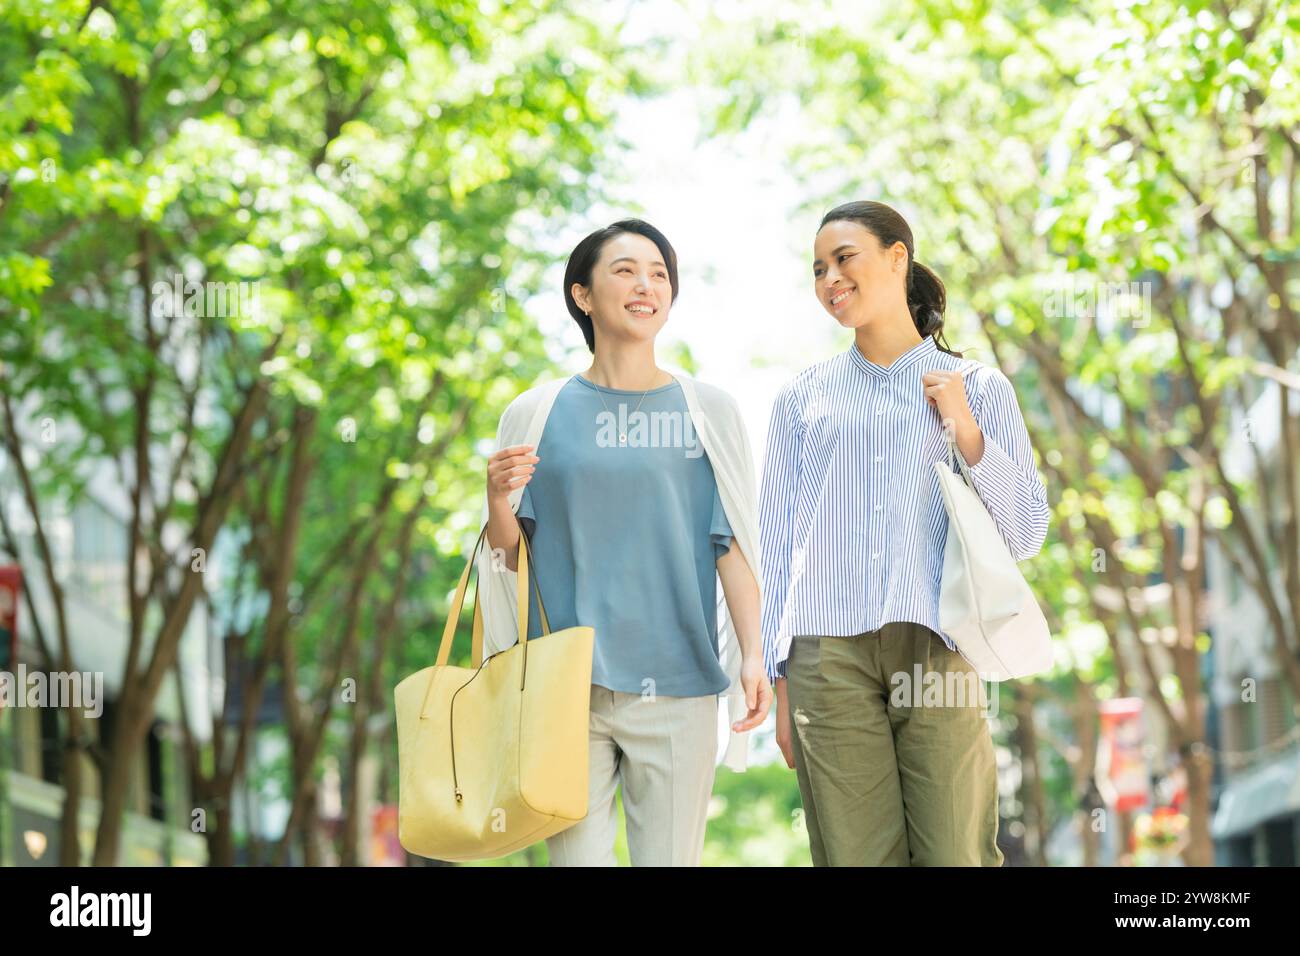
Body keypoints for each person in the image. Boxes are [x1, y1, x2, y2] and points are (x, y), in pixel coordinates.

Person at [759, 200, 1050, 866]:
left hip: (939, 640)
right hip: (825, 655)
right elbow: (774, 541)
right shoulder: (802, 397)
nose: (830, 278)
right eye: (818, 269)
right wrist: (778, 678)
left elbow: (1027, 531)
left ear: (897, 257)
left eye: (844, 258)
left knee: (956, 852)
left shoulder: (978, 386)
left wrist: (966, 431)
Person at [479, 219, 771, 866]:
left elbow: (732, 546)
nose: (646, 285)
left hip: (677, 690)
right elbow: (507, 558)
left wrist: (754, 655)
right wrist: (498, 501)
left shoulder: (707, 411)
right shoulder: (537, 412)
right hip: (561, 690)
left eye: (659, 273)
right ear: (582, 295)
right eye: (625, 270)